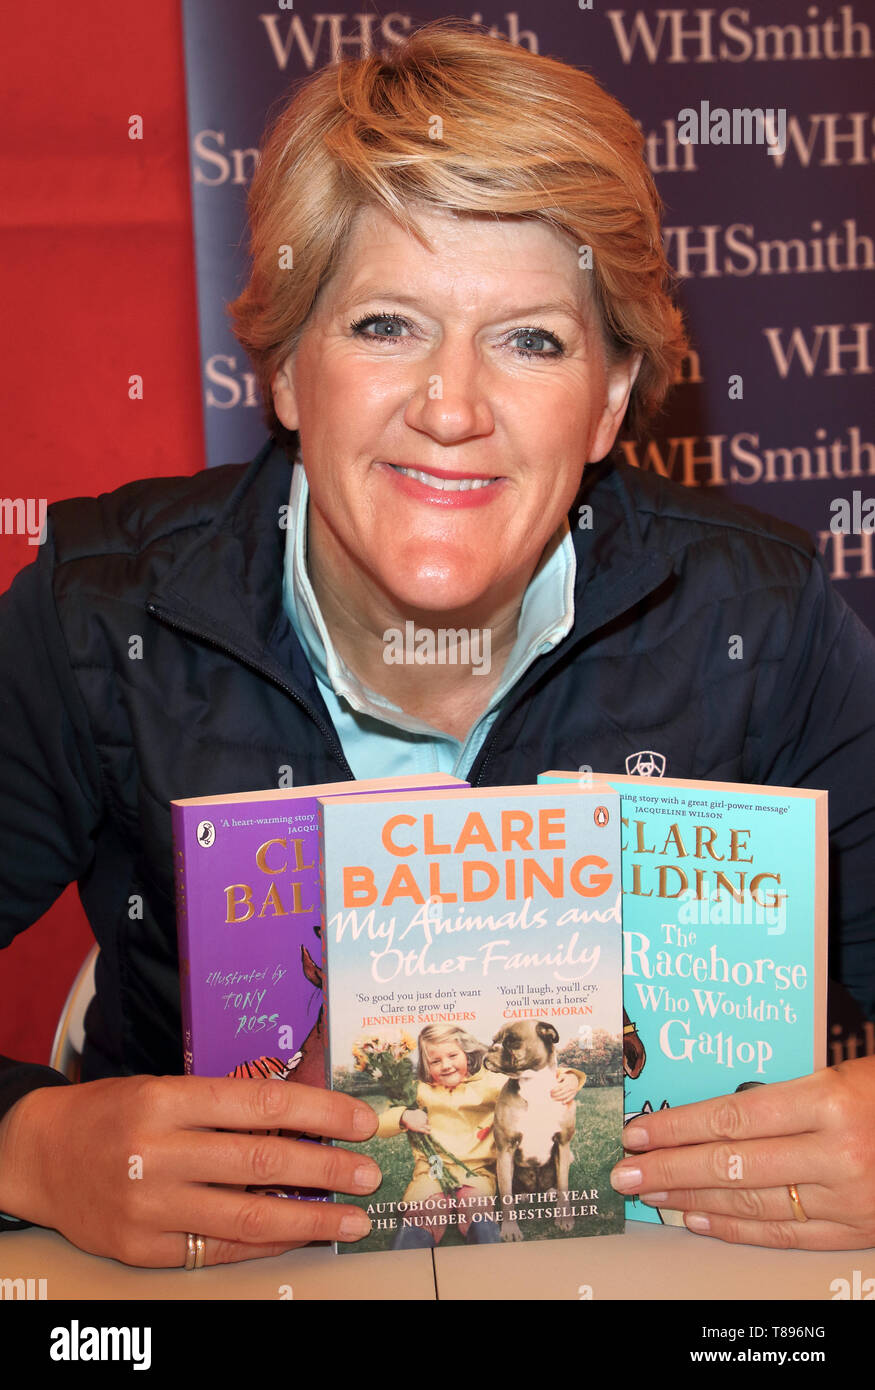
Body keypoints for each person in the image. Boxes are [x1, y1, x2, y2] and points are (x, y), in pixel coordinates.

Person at [0, 19, 873, 1268]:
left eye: (530, 340)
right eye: (384, 325)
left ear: (610, 401)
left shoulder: (758, 622)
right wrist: (30, 1145)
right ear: (289, 370)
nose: (451, 406)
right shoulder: (102, 618)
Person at [372, 1023, 583, 1248]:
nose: (446, 1065)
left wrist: (571, 1077)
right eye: (435, 1061)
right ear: (425, 1065)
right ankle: (407, 1256)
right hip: (431, 1175)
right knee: (424, 1211)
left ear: (467, 1053)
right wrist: (403, 1116)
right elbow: (380, 1125)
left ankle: (485, 1251)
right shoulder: (420, 1091)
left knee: (477, 1209)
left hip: (477, 1173)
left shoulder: (489, 1084)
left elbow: (538, 1076)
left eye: (453, 1055)